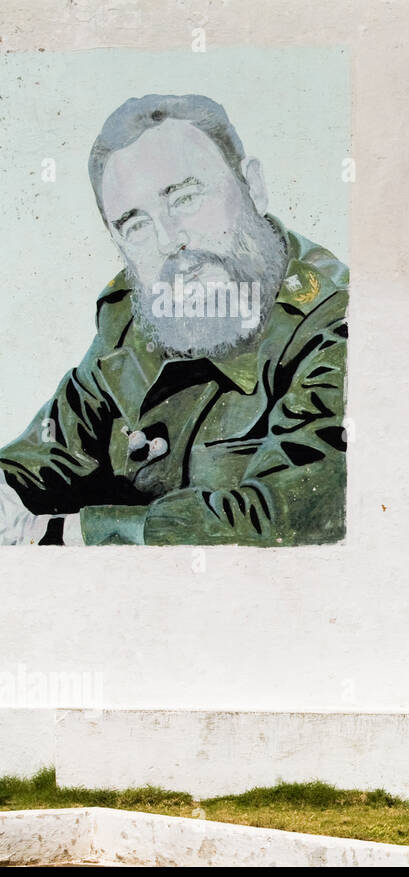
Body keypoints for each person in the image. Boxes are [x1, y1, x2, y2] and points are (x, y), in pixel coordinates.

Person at [0, 94, 347, 546]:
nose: (168, 240)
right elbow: (50, 453)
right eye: (135, 225)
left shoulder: (336, 324)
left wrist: (58, 533)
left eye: (184, 197)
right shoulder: (132, 319)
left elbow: (284, 519)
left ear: (253, 186)